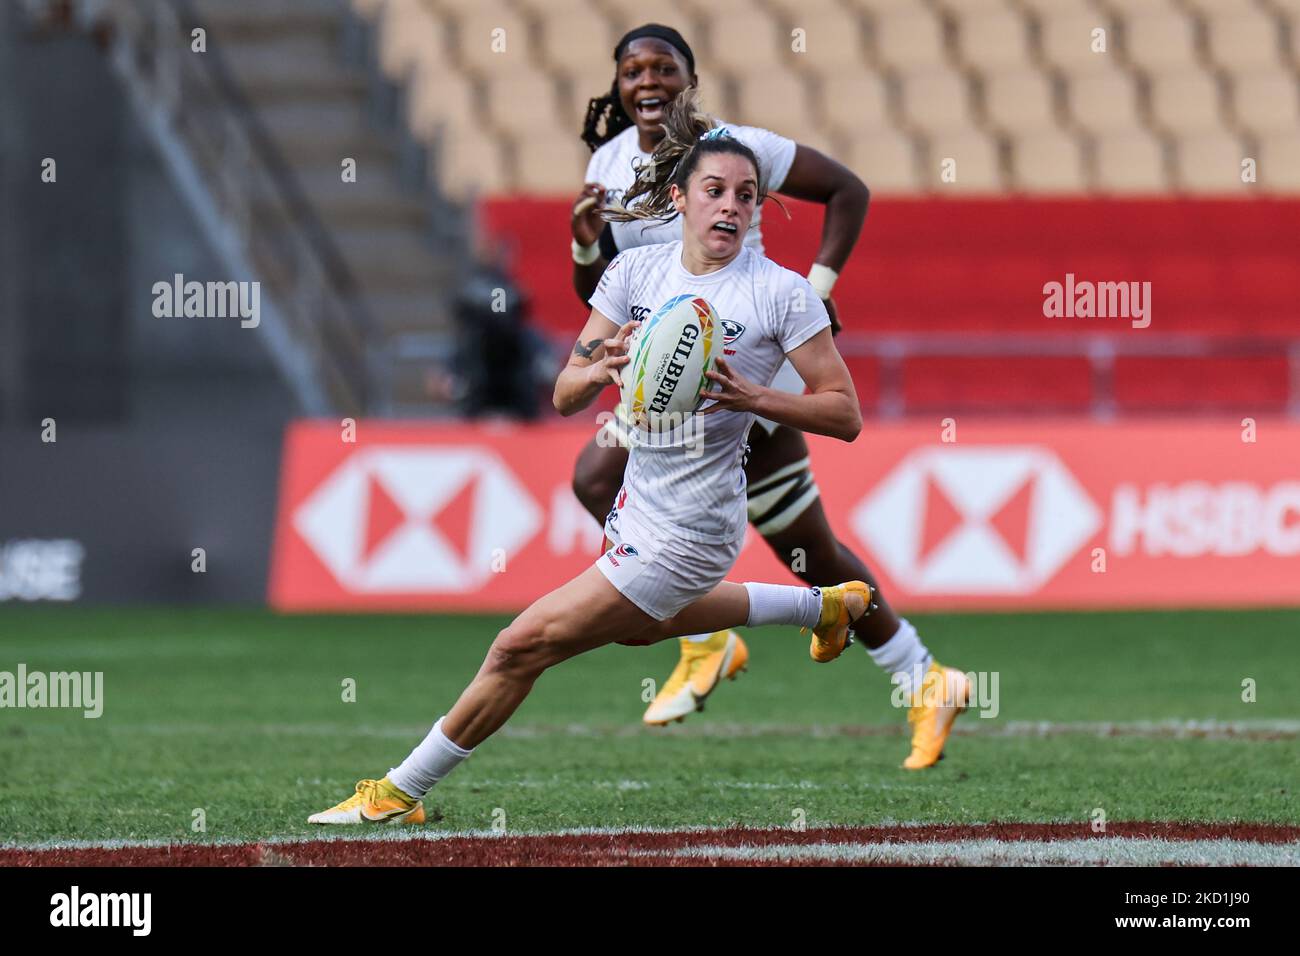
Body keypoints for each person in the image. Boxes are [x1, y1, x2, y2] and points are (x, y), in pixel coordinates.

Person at [309, 93, 874, 825]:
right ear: (680, 198)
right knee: (638, 629)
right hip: (639, 501)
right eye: (714, 191)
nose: (731, 207)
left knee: (519, 647)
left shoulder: (781, 295)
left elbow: (845, 414)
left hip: (697, 524)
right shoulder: (632, 274)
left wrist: (756, 397)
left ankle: (399, 793)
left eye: (747, 195)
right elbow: (565, 392)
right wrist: (600, 368)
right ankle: (822, 605)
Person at [569, 23, 969, 767]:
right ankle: (917, 676)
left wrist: (818, 289)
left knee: (784, 539)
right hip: (672, 381)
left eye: (665, 68)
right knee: (799, 543)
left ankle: (714, 640)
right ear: (618, 86)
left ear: (690, 79)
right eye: (633, 71)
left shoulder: (736, 148)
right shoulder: (609, 162)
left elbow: (847, 190)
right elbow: (602, 294)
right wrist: (586, 243)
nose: (648, 82)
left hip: (744, 368)